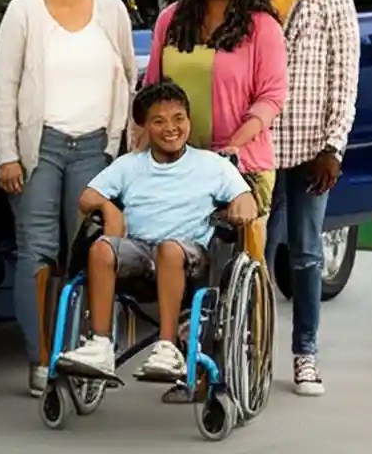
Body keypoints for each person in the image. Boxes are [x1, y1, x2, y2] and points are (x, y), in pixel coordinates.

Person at [0, 0, 138, 397]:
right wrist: (7, 154)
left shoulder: (112, 9)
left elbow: (129, 79)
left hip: (95, 148)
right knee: (37, 252)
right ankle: (40, 359)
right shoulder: (23, 11)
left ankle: (82, 350)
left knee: (90, 253)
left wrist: (122, 147)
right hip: (41, 149)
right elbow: (4, 87)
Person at [57, 81, 257, 380]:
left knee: (169, 249)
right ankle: (100, 346)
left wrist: (242, 204)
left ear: (189, 121)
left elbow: (246, 200)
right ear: (144, 127)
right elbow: (87, 197)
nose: (171, 128)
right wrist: (110, 208)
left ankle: (167, 347)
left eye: (179, 119)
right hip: (140, 255)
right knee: (101, 247)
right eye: (159, 121)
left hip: (190, 257)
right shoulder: (129, 166)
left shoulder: (212, 165)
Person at [258, 0, 361, 397]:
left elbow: (345, 76)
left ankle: (305, 354)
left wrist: (333, 147)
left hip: (307, 150)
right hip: (253, 149)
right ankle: (244, 352)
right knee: (245, 257)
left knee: (305, 256)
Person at [138, 0, 288, 266]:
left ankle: (250, 315)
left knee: (234, 259)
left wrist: (234, 145)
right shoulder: (171, 20)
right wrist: (139, 151)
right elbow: (152, 90)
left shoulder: (262, 27)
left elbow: (271, 98)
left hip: (240, 166)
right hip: (176, 160)